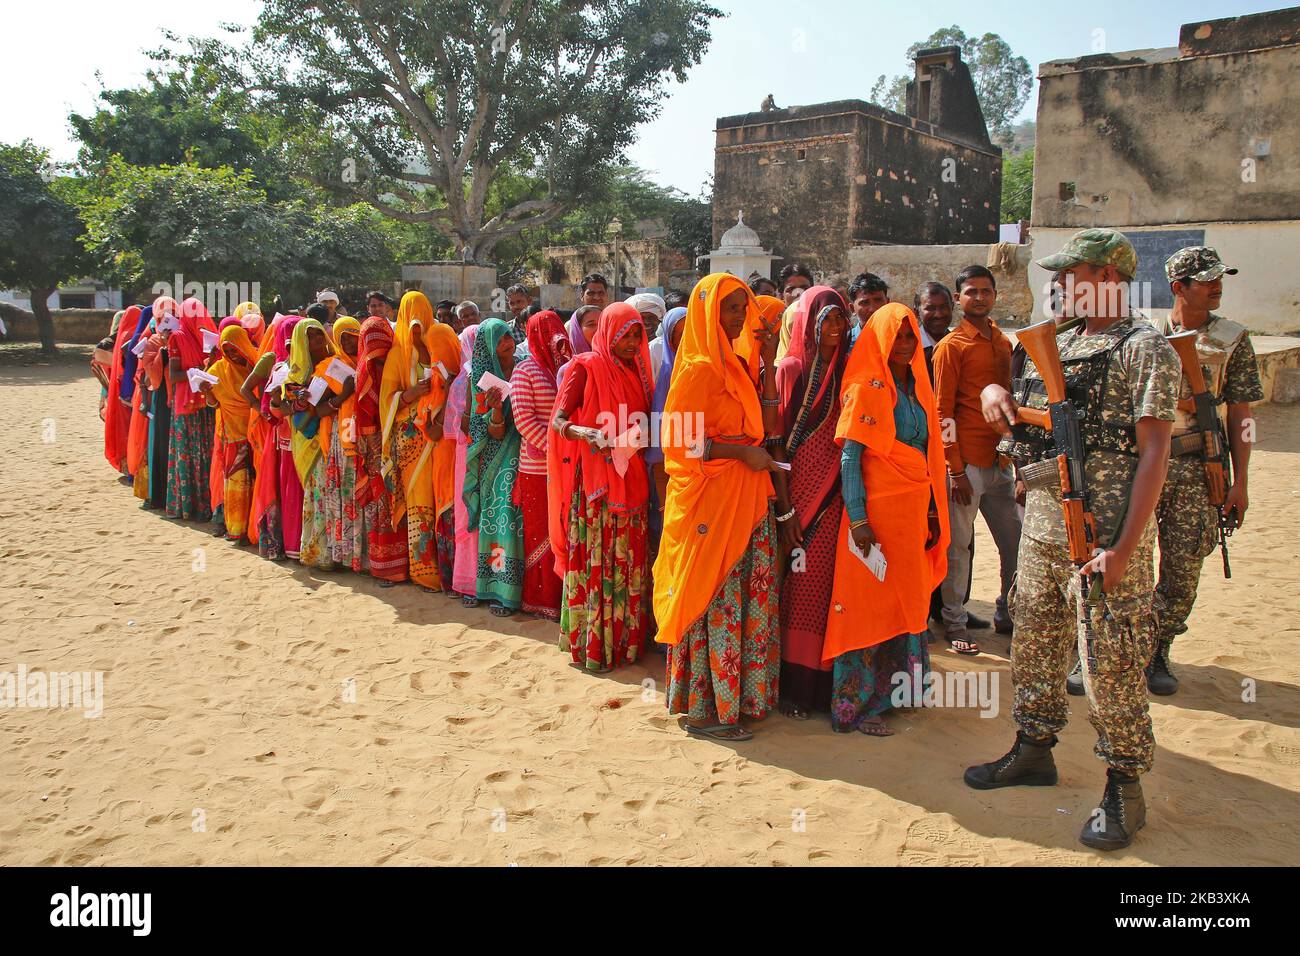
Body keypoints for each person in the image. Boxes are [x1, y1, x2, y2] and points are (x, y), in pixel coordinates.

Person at [966, 227, 1179, 851]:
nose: (1058, 287)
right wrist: (994, 390)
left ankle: (1125, 785)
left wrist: (1125, 548)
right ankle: (1034, 748)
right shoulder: (1050, 343)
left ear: (1110, 278)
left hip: (1108, 531)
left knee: (1110, 660)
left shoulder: (1144, 348)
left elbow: (1155, 453)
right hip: (1045, 521)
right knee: (1034, 637)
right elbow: (1022, 417)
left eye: (1071, 277)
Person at [654, 273, 783, 742]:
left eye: (742, 306)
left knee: (744, 594)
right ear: (708, 312)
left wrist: (766, 363)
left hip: (745, 498)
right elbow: (680, 443)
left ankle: (739, 700)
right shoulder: (699, 370)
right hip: (712, 500)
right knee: (715, 595)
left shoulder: (738, 365)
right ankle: (706, 710)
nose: (740, 316)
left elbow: (766, 427)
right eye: (730, 308)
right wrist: (739, 453)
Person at [822, 304, 950, 736]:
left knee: (906, 599)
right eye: (897, 336)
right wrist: (858, 519)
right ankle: (858, 705)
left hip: (912, 512)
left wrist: (932, 509)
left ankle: (899, 692)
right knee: (867, 605)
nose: (905, 344)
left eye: (910, 336)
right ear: (878, 338)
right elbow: (851, 456)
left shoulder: (917, 385)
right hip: (872, 514)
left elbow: (929, 452)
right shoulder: (864, 386)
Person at [1149, 246, 1262, 695]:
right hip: (1143, 465)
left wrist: (1241, 481)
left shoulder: (1233, 338)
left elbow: (1242, 413)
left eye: (1220, 278)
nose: (1218, 286)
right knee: (1127, 560)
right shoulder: (1143, 333)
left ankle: (1159, 648)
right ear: (1179, 287)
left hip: (1198, 468)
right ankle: (1119, 649)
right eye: (1207, 279)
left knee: (1184, 563)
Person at [549, 302, 653, 671]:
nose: (632, 341)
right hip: (596, 482)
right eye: (626, 334)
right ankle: (594, 646)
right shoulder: (585, 367)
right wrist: (586, 432)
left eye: (637, 334)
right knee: (599, 557)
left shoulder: (639, 373)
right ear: (608, 332)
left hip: (631, 473)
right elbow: (558, 419)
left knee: (626, 560)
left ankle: (624, 644)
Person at [933, 265, 1020, 655]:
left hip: (1001, 462)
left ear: (995, 296)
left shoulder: (1003, 342)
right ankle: (954, 621)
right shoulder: (951, 347)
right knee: (959, 549)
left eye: (986, 291)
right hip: (966, 465)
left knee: (1015, 542)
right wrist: (954, 469)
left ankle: (1008, 611)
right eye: (972, 292)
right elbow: (942, 412)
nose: (980, 297)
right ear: (959, 298)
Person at [775, 287, 851, 719]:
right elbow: (779, 442)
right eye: (827, 320)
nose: (836, 328)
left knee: (823, 588)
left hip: (838, 496)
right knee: (795, 584)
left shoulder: (850, 369)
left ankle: (820, 682)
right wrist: (785, 510)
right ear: (808, 324)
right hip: (795, 499)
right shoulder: (790, 370)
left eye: (841, 319)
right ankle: (791, 684)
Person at [379, 291, 443, 591]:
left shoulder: (439, 344)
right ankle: (420, 569)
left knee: (434, 494)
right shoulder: (396, 354)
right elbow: (386, 400)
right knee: (416, 497)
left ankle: (440, 567)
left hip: (437, 437)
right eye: (411, 318)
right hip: (409, 440)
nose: (417, 324)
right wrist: (412, 394)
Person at [510, 310, 570, 620]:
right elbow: (523, 420)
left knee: (563, 531)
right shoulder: (525, 370)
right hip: (537, 468)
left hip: (567, 465)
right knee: (540, 534)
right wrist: (555, 448)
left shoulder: (567, 368)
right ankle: (540, 599)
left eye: (556, 330)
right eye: (546, 332)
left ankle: (563, 599)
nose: (554, 337)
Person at [464, 318, 524, 616]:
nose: (507, 341)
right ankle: (497, 586)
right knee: (500, 520)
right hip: (496, 459)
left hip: (527, 453)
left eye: (509, 335)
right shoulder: (481, 378)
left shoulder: (526, 365)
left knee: (520, 522)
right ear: (488, 345)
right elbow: (492, 431)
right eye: (499, 338)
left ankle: (521, 588)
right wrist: (497, 408)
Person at [353, 317, 408, 585]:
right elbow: (365, 418)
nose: (378, 359)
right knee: (382, 507)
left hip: (400, 444)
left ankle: (403, 564)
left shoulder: (400, 361)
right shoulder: (364, 373)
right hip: (377, 450)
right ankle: (385, 566)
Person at [200, 325, 259, 542]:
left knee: (257, 479)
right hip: (233, 435)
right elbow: (214, 404)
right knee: (237, 482)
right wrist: (207, 393)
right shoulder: (217, 371)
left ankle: (255, 528)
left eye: (235, 348)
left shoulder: (257, 365)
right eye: (228, 350)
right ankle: (236, 528)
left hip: (257, 432)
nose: (233, 354)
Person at [288, 310, 337, 570]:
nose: (317, 339)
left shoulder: (336, 363)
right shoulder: (294, 373)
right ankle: (318, 552)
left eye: (320, 333)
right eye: (311, 336)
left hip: (333, 436)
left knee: (332, 493)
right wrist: (302, 399)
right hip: (310, 441)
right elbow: (287, 406)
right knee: (317, 493)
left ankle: (335, 550)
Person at [165, 298, 218, 521]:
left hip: (206, 402)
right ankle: (189, 505)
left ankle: (208, 505)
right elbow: (173, 374)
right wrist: (196, 372)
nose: (200, 321)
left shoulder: (210, 341)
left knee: (206, 453)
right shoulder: (178, 337)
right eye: (195, 317)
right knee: (188, 453)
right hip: (187, 405)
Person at [448, 324, 480, 598]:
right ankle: (466, 580)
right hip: (468, 452)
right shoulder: (466, 377)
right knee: (468, 512)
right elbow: (462, 424)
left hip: (480, 452)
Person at [915, 281, 954, 378]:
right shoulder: (909, 349)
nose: (938, 314)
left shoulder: (959, 345)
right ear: (916, 312)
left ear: (952, 307)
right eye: (930, 308)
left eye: (944, 307)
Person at [627, 292, 667, 376]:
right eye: (642, 318)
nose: (647, 322)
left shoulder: (663, 347)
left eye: (651, 318)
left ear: (659, 320)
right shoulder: (627, 347)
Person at [848, 272, 890, 343]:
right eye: (865, 302)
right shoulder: (844, 344)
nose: (872, 309)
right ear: (852, 309)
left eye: (878, 300)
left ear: (888, 303)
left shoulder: (899, 340)